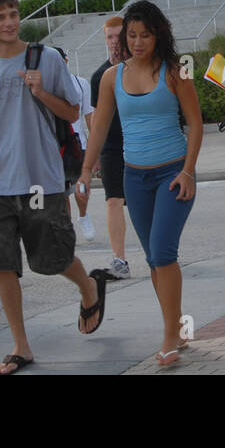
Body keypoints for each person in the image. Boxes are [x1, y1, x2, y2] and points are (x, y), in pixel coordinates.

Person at [0, 0, 104, 375]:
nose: (9, 22)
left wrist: (40, 92)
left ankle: (88, 286)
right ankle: (21, 347)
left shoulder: (46, 58)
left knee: (52, 257)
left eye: (12, 14)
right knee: (2, 263)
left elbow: (73, 110)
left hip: (42, 178)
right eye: (0, 18)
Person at [80, 1, 202, 367]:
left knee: (163, 252)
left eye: (144, 35)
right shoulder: (110, 77)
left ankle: (170, 337)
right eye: (131, 35)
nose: (136, 41)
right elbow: (99, 126)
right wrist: (86, 171)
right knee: (153, 259)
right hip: (135, 177)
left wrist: (189, 171)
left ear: (158, 34)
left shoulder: (176, 71)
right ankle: (177, 327)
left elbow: (195, 124)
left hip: (172, 174)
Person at [89, 16, 130, 279]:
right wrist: (93, 157)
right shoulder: (99, 76)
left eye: (119, 36)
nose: (115, 42)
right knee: (113, 201)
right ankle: (120, 260)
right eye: (110, 37)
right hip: (112, 148)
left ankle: (159, 254)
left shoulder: (140, 69)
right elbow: (96, 118)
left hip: (140, 144)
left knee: (140, 204)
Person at [59, 47, 96, 242]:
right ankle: (67, 226)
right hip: (56, 148)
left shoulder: (81, 84)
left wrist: (94, 149)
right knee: (62, 191)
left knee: (81, 188)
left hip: (78, 145)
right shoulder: (46, 88)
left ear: (66, 61)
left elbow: (90, 117)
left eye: (61, 61)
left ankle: (83, 216)